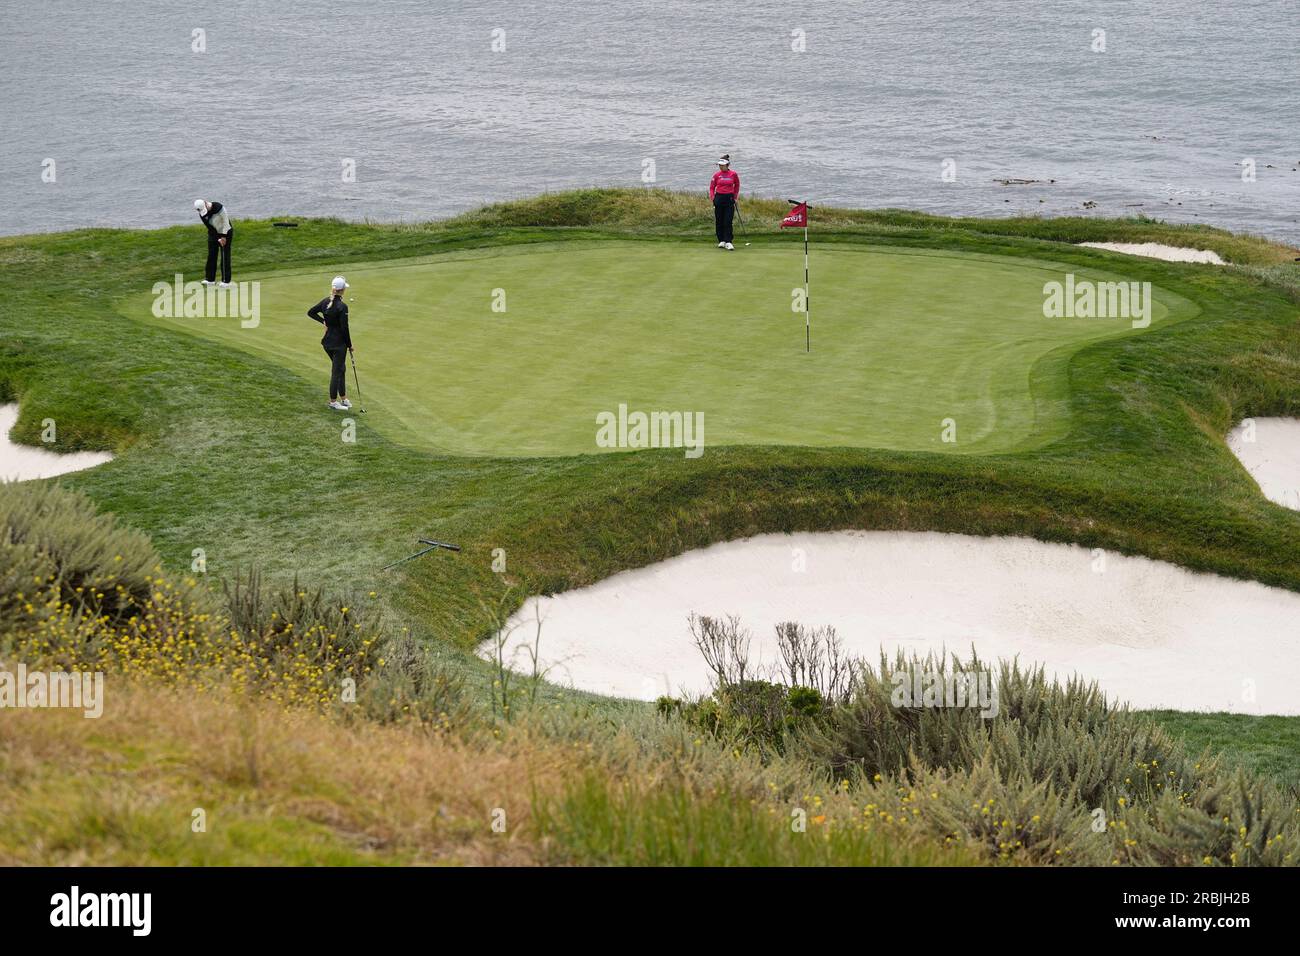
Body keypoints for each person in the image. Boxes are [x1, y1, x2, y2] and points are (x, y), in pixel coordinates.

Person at [307, 276, 353, 410]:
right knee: (337, 371)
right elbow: (345, 328)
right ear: (342, 290)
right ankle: (333, 402)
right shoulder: (342, 306)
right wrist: (350, 345)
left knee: (341, 368)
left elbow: (311, 312)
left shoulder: (325, 301)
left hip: (327, 342)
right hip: (338, 344)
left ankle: (343, 398)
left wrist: (324, 322)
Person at [195, 199, 234, 286]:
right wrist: (217, 238)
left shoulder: (218, 207)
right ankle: (210, 279)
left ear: (206, 203)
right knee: (211, 255)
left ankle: (226, 281)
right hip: (213, 234)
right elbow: (210, 227)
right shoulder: (202, 213)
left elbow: (226, 222)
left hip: (226, 232)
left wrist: (223, 237)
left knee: (225, 256)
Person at [708, 154, 740, 250]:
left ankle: (728, 241)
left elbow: (737, 186)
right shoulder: (716, 175)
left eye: (722, 165)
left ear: (727, 165)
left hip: (729, 199)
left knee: (728, 221)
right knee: (719, 220)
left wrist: (735, 197)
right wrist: (713, 198)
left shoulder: (733, 174)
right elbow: (712, 187)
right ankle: (721, 240)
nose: (720, 167)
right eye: (719, 165)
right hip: (718, 198)